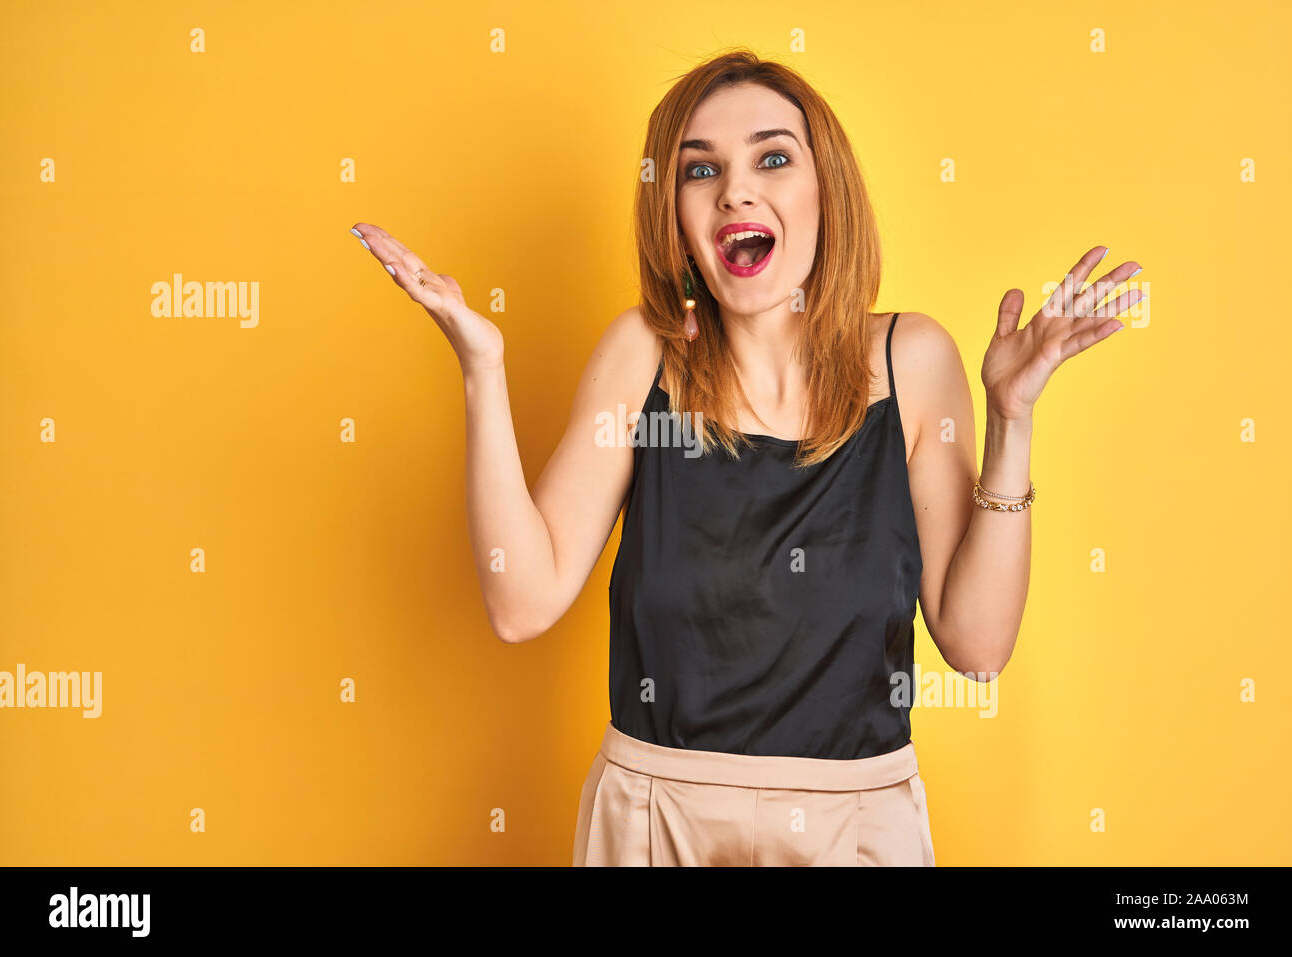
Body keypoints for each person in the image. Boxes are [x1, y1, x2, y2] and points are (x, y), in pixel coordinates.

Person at [349, 49, 1143, 866]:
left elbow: (977, 648)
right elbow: (522, 601)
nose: (735, 189)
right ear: (678, 216)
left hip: (857, 827)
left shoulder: (914, 360)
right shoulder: (641, 355)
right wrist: (483, 371)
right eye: (701, 170)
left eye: (772, 157)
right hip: (656, 821)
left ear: (825, 190)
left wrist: (1012, 419)